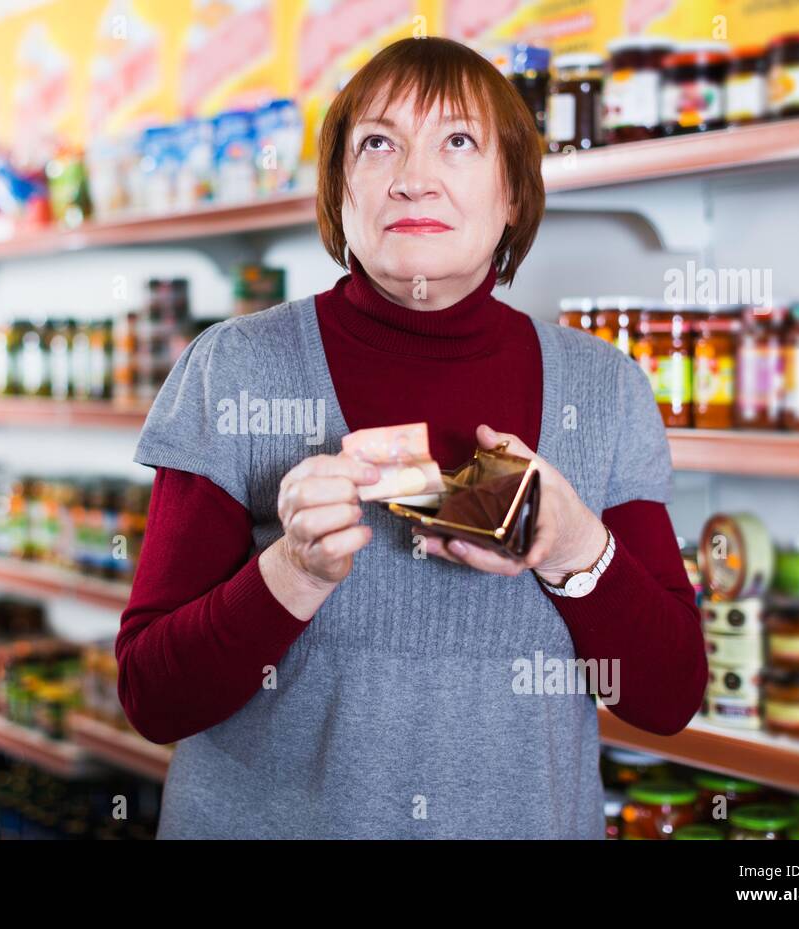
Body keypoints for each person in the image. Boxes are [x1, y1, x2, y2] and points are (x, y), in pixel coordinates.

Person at [117, 36, 706, 838]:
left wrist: (575, 548)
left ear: (512, 192)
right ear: (340, 191)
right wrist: (290, 571)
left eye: (458, 141)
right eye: (377, 143)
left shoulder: (603, 389)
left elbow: (669, 695)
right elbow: (153, 697)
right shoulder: (236, 369)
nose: (413, 176)